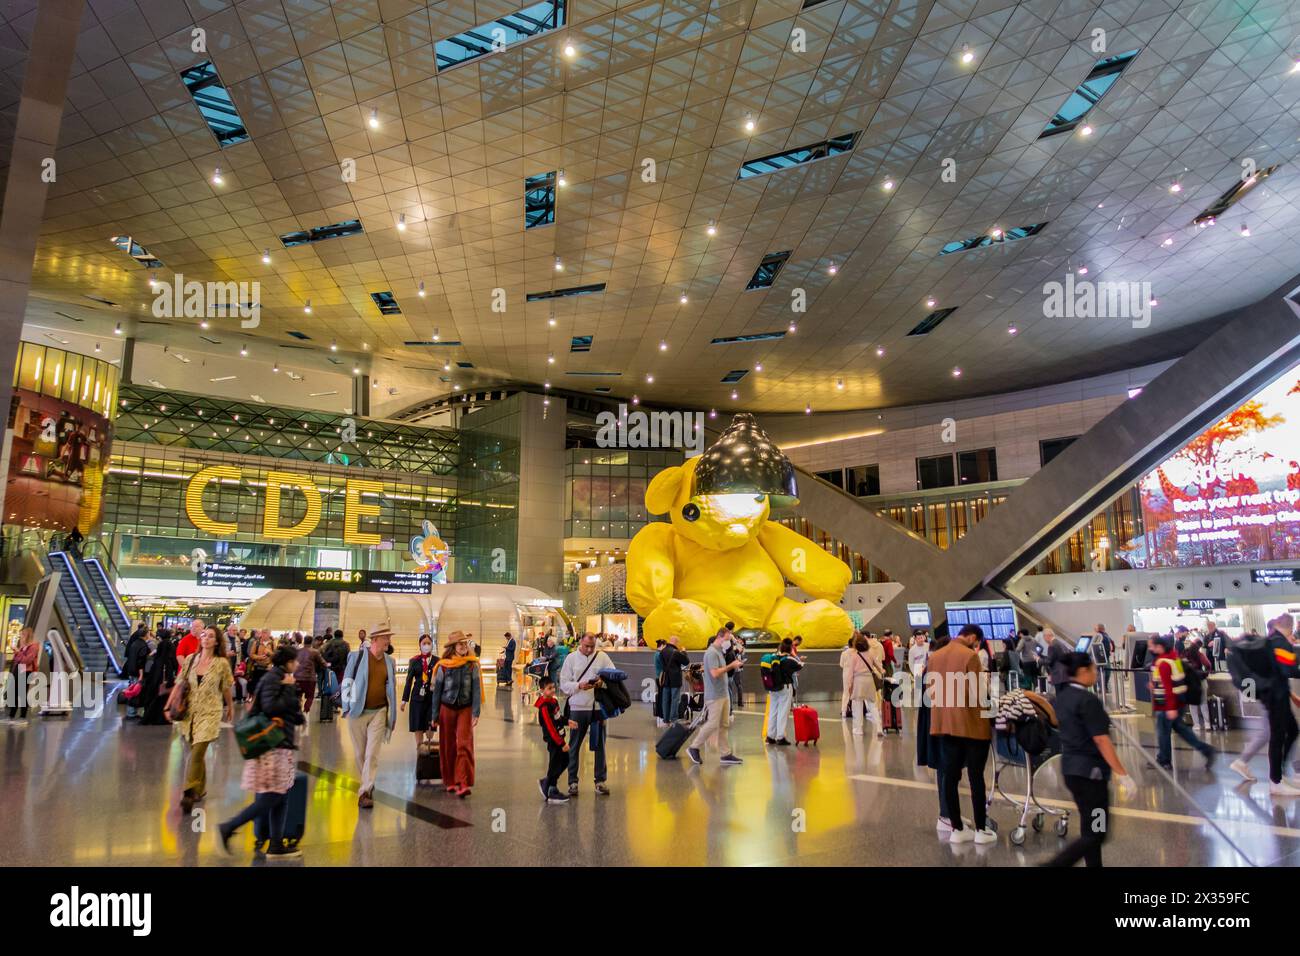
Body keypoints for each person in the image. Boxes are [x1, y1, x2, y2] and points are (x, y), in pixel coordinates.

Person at [1045, 652, 1134, 867]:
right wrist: (1123, 774)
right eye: (1093, 669)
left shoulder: (1062, 697)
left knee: (1090, 827)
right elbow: (1101, 740)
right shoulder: (1087, 700)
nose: (1095, 673)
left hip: (1072, 771)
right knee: (1098, 831)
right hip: (1091, 776)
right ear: (1083, 671)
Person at [217, 647, 306, 860]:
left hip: (280, 742)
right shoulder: (275, 678)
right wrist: (289, 690)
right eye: (295, 661)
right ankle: (228, 826)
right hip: (272, 745)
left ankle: (276, 844)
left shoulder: (281, 677)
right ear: (288, 662)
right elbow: (270, 706)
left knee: (281, 795)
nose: (298, 665)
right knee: (272, 796)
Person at [926, 623, 995, 844]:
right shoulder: (970, 656)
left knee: (950, 776)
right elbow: (978, 694)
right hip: (971, 725)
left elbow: (930, 691)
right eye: (977, 643)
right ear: (973, 637)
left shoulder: (935, 656)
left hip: (945, 725)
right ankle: (981, 830)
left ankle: (956, 829)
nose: (977, 646)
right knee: (976, 777)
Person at [175, 628, 234, 813]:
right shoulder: (191, 659)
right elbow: (180, 683)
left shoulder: (221, 663)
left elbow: (225, 687)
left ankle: (188, 792)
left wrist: (230, 706)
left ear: (217, 642)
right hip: (190, 712)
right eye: (203, 635)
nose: (206, 638)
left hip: (210, 712)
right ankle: (200, 789)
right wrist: (169, 705)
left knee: (198, 750)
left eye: (210, 636)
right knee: (196, 751)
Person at [341, 625, 397, 808]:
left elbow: (390, 686)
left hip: (379, 711)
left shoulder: (390, 661)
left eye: (388, 637)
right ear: (374, 640)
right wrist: (346, 706)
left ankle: (365, 791)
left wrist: (392, 710)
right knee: (360, 753)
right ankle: (367, 781)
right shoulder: (357, 657)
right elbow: (347, 680)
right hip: (357, 711)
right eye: (385, 637)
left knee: (372, 753)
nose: (388, 641)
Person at [1149, 633, 1216, 773]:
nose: (1149, 649)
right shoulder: (1174, 658)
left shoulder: (1163, 663)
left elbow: (1168, 687)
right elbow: (1177, 680)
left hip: (1167, 704)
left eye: (1151, 646)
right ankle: (1207, 750)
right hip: (1179, 701)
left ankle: (1164, 760)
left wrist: (1170, 707)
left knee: (1163, 732)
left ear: (1159, 647)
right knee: (1183, 731)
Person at [559, 632, 615, 795]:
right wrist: (578, 686)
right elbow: (564, 684)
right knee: (574, 745)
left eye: (592, 646)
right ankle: (572, 782)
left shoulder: (602, 657)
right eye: (586, 646)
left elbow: (614, 675)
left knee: (600, 746)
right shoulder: (571, 659)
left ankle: (600, 781)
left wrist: (602, 682)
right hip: (577, 708)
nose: (589, 649)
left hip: (598, 709)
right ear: (580, 643)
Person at [432, 631, 482, 797]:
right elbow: (437, 692)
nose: (463, 646)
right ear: (453, 647)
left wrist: (476, 712)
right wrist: (434, 716)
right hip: (446, 707)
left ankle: (463, 781)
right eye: (459, 644)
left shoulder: (472, 665)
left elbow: (476, 689)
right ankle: (450, 781)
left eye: (465, 643)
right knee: (448, 746)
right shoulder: (443, 666)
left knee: (464, 745)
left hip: (465, 709)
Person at [685, 629, 743, 766]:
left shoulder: (719, 653)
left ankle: (725, 753)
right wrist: (731, 666)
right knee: (712, 723)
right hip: (715, 695)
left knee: (723, 725)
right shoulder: (712, 653)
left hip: (723, 694)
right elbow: (715, 673)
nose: (730, 643)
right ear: (720, 638)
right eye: (728, 639)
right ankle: (694, 747)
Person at [534, 676, 570, 804]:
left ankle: (548, 782)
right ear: (542, 690)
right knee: (555, 764)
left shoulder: (553, 702)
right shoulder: (544, 707)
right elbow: (550, 728)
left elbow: (558, 718)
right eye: (549, 688)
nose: (553, 690)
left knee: (566, 760)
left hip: (559, 738)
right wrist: (562, 743)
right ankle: (550, 789)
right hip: (554, 741)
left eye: (554, 687)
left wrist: (568, 721)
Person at [400, 635, 439, 750]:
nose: (426, 645)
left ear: (432, 645)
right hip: (417, 698)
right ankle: (419, 750)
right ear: (420, 645)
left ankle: (428, 746)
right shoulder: (414, 661)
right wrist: (404, 700)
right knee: (417, 726)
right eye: (424, 643)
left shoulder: (438, 661)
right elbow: (409, 681)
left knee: (430, 728)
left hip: (432, 698)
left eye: (429, 643)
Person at [844, 634, 885, 737]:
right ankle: (879, 728)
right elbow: (878, 666)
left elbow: (850, 673)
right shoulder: (870, 653)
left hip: (858, 681)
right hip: (869, 680)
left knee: (857, 705)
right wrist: (882, 671)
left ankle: (858, 729)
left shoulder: (853, 656)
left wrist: (849, 685)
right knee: (872, 705)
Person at [764, 638, 802, 744]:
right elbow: (800, 665)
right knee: (783, 712)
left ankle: (770, 736)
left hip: (773, 688)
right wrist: (794, 654)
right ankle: (780, 737)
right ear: (790, 648)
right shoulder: (789, 659)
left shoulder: (774, 658)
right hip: (785, 688)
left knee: (773, 711)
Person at [138, 628, 177, 725]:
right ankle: (162, 717)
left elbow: (157, 656)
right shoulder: (171, 644)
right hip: (167, 672)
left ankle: (152, 716)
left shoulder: (161, 645)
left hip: (158, 671)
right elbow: (173, 659)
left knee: (155, 694)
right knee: (164, 696)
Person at [5, 628, 39, 722]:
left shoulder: (34, 646)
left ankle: (22, 717)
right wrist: (17, 652)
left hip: (26, 671)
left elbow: (27, 660)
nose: (21, 637)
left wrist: (17, 652)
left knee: (22, 694)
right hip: (18, 669)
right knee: (14, 692)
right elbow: (17, 659)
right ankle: (11, 716)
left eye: (22, 635)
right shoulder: (23, 646)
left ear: (27, 635)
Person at [1180, 638, 1212, 732]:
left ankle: (1197, 725)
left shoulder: (1184, 654)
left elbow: (1179, 665)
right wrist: (1206, 673)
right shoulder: (1199, 654)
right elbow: (1208, 664)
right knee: (1203, 702)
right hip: (1200, 679)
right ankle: (1207, 724)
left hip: (1189, 681)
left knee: (1192, 704)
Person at [658, 635, 689, 726]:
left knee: (665, 699)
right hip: (675, 679)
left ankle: (666, 719)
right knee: (675, 699)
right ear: (676, 642)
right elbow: (686, 661)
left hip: (666, 679)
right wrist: (684, 651)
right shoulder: (676, 652)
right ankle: (674, 719)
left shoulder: (662, 652)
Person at [122, 626, 150, 719]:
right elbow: (141, 661)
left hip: (131, 670)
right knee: (135, 692)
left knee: (132, 690)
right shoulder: (143, 645)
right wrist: (141, 674)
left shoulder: (134, 643)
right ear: (146, 635)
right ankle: (131, 713)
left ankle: (131, 712)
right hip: (137, 672)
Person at [294, 637, 325, 718]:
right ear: (312, 642)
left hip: (297, 677)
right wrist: (327, 665)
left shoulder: (298, 651)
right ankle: (306, 709)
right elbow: (322, 662)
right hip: (310, 678)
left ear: (304, 641)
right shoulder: (315, 652)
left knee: (298, 695)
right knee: (310, 696)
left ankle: (297, 710)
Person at [247, 630, 274, 694]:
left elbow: (275, 656)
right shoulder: (256, 643)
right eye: (263, 633)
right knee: (256, 687)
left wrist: (271, 661)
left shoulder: (272, 643)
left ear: (269, 634)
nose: (264, 634)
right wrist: (259, 657)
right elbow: (251, 654)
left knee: (266, 687)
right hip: (257, 668)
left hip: (268, 669)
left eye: (266, 633)